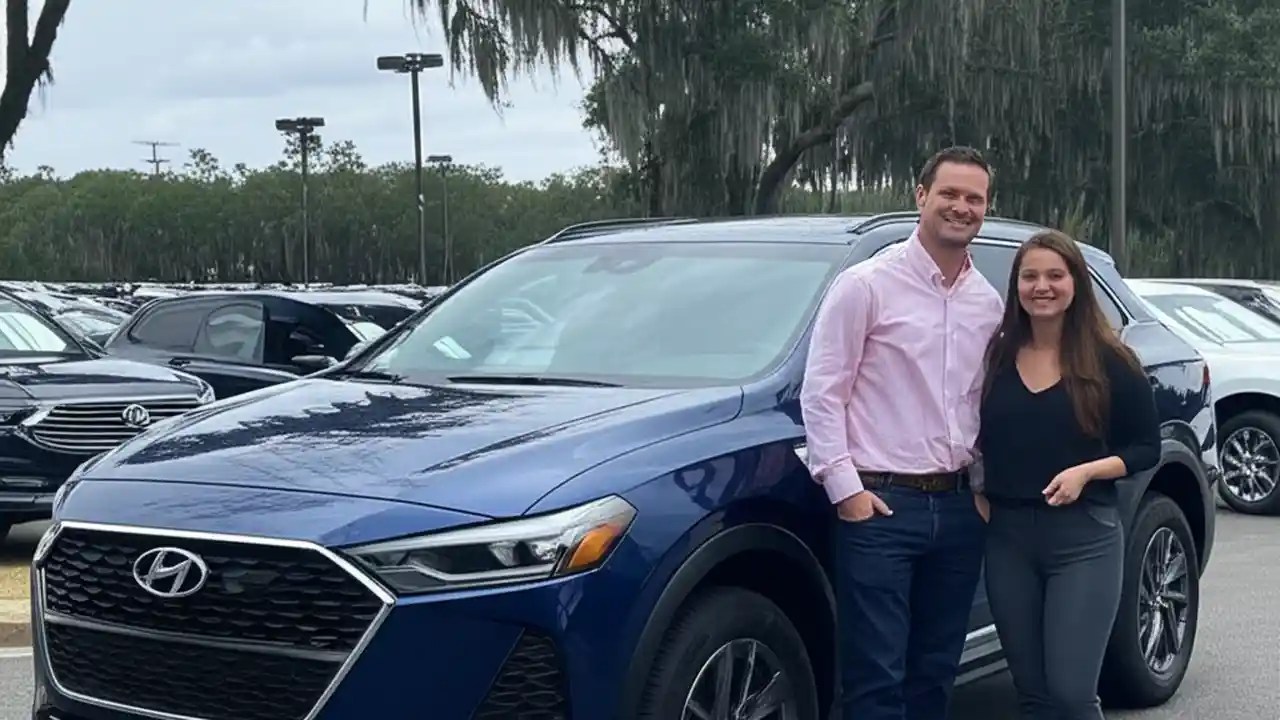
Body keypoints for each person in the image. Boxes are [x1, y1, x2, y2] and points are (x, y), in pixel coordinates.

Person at [800, 145, 1004, 720]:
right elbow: (823, 392)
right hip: (882, 508)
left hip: (961, 509)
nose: (961, 207)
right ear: (921, 196)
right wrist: (848, 494)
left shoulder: (985, 301)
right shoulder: (865, 286)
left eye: (974, 198)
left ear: (985, 208)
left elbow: (985, 404)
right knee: (874, 677)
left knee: (936, 671)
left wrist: (982, 491)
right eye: (949, 194)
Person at [976, 229, 1160, 719]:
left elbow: (1146, 447)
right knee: (1033, 695)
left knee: (1072, 694)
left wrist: (1087, 472)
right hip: (1008, 540)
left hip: (1084, 539)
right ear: (1015, 286)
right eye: (1030, 276)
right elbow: (970, 432)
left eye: (1055, 275)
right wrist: (976, 485)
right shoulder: (996, 356)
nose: (1042, 286)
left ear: (1076, 282)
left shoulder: (1111, 360)